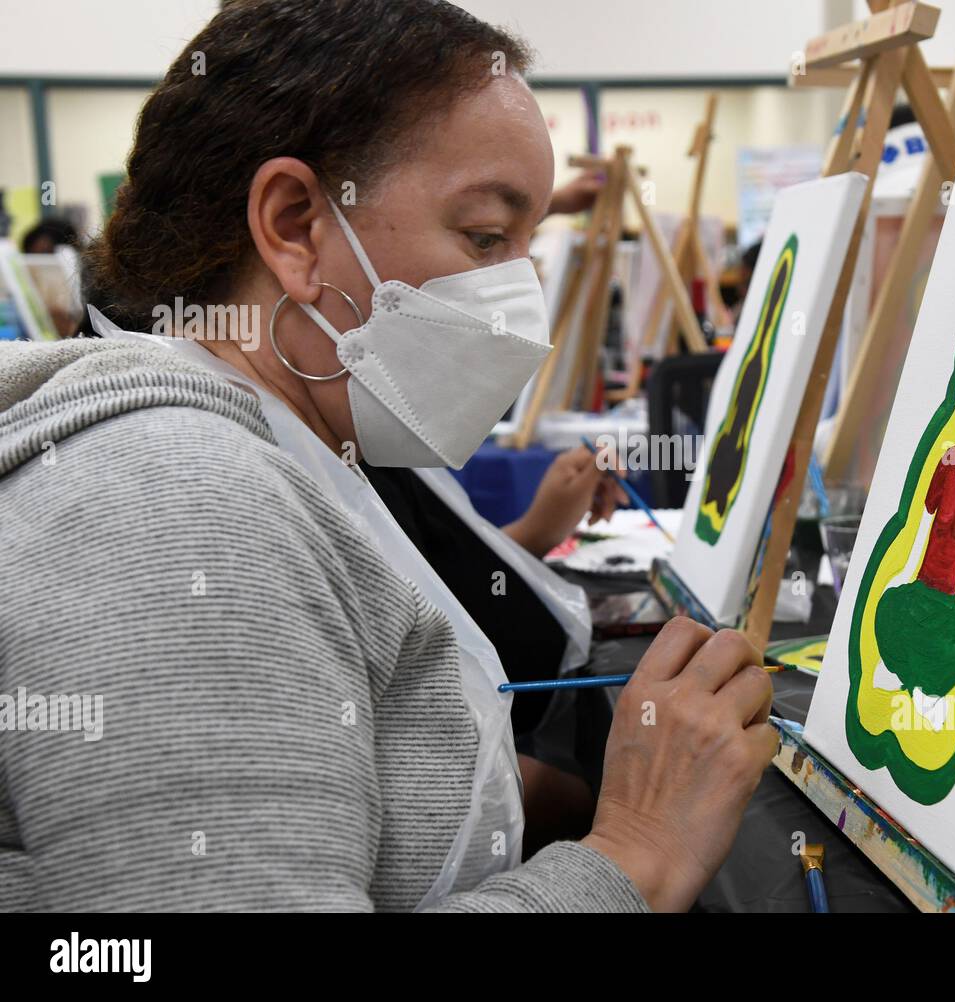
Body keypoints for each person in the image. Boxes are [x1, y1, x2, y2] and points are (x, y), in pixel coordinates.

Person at [0, 0, 775, 912]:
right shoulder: (174, 501)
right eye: (487, 236)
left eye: (529, 246)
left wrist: (565, 809)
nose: (519, 290)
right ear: (294, 225)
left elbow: (363, 766)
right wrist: (633, 851)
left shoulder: (286, 450)